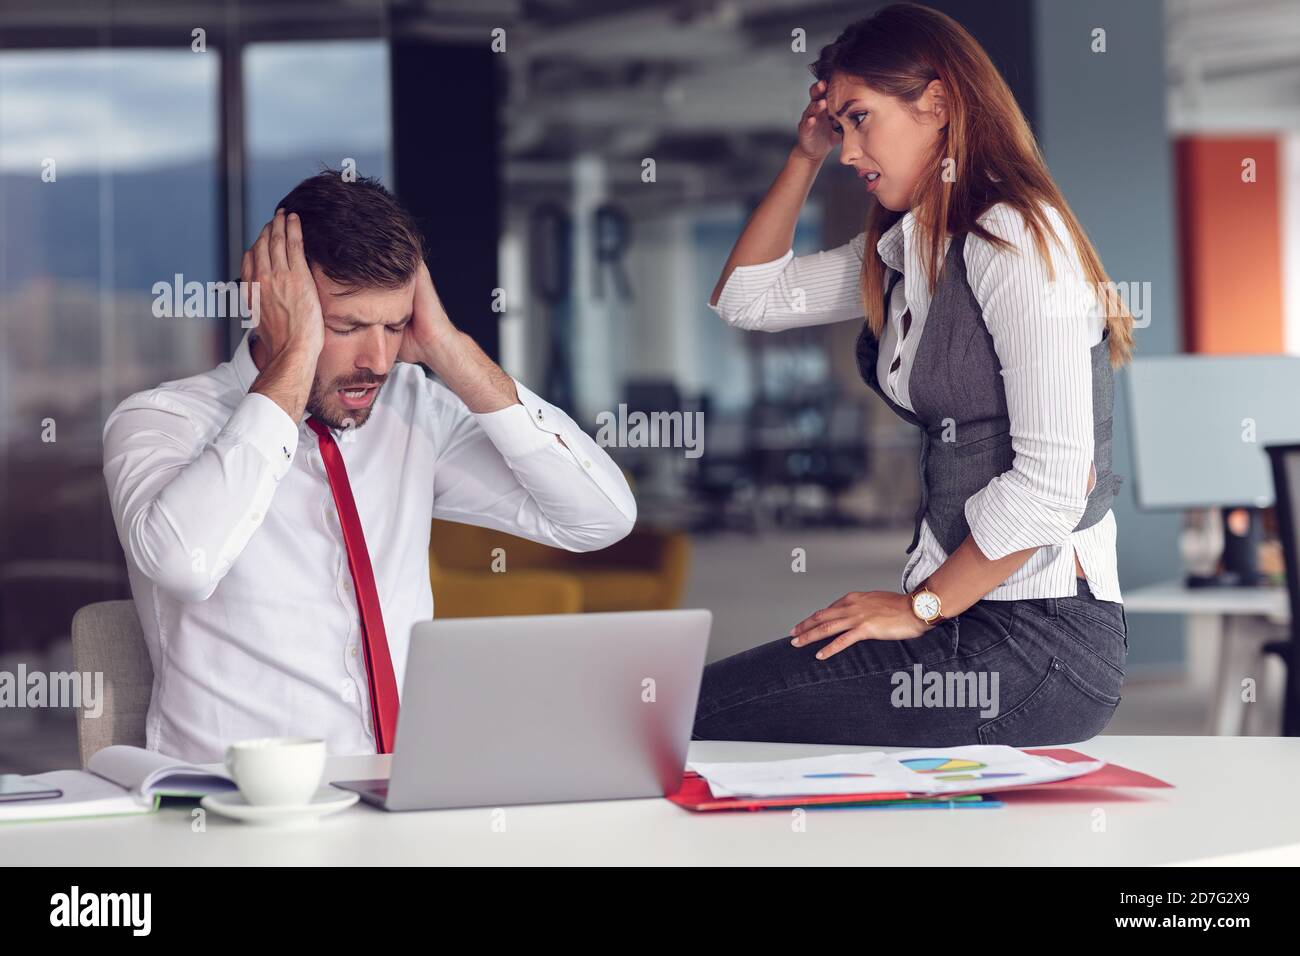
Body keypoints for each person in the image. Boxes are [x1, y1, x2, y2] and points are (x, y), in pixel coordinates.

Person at [694, 3, 1135, 747]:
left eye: (861, 118)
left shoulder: (1014, 238)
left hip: (1041, 641)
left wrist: (923, 607)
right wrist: (803, 153)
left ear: (937, 103)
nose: (847, 150)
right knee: (700, 708)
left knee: (694, 715)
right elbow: (746, 297)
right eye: (839, 125)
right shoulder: (913, 250)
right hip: (981, 620)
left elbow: (1059, 477)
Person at [103, 171, 636, 762]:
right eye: (346, 327)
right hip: (241, 812)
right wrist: (296, 357)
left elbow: (599, 518)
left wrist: (448, 349)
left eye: (394, 324)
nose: (377, 360)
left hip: (405, 798)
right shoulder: (161, 420)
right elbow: (183, 565)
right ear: (272, 307)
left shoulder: (413, 412)